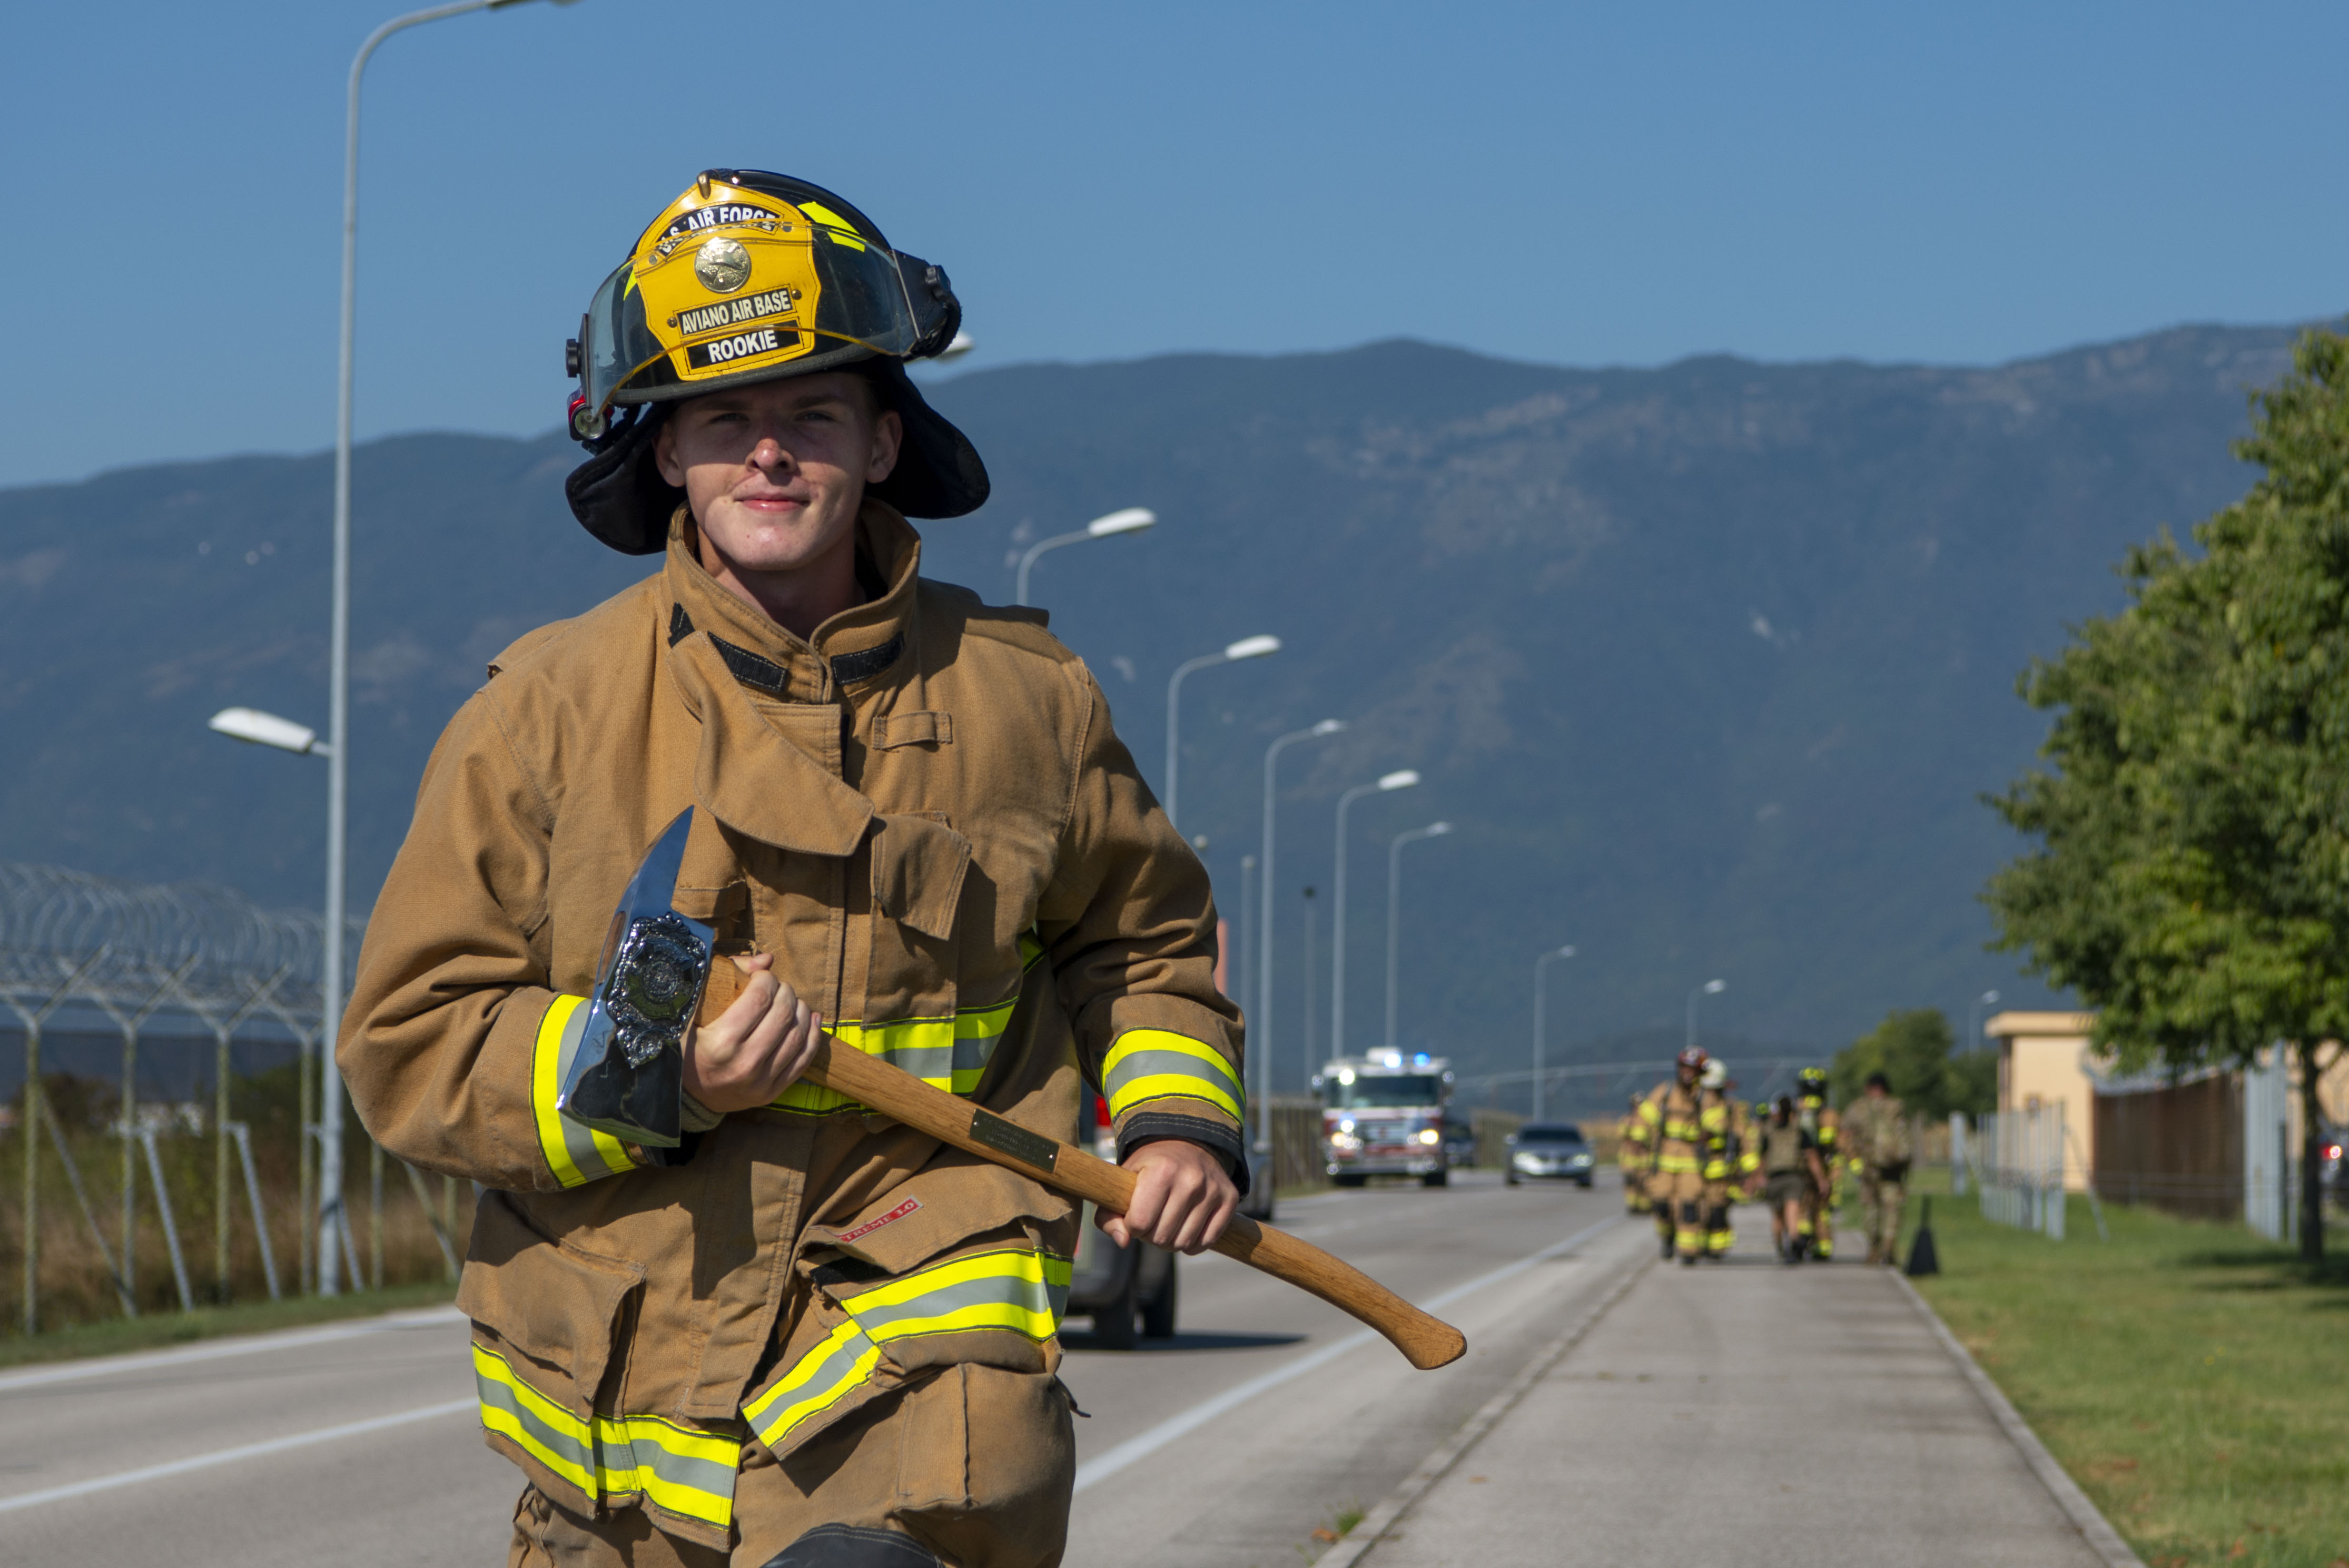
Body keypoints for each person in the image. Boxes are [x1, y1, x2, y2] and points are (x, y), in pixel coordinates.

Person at [339, 171, 1246, 1568]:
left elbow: (1140, 947)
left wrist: (1180, 1126)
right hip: (618, 1444)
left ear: (883, 444)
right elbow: (408, 1042)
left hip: (917, 1419)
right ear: (666, 459)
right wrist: (660, 1076)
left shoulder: (1030, 706)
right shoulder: (547, 713)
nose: (769, 455)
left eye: (812, 413)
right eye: (724, 420)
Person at [1633, 1048, 1711, 1265]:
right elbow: (1645, 1115)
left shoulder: (1705, 1097)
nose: (1688, 1073)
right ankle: (1668, 1236)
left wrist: (1711, 1133)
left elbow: (1716, 1121)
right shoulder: (1665, 1092)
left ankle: (1688, 1251)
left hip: (1692, 1162)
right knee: (1660, 1205)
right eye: (1684, 1068)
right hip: (1664, 1160)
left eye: (1692, 1069)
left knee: (1689, 1207)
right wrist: (1639, 1138)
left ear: (1699, 1073)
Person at [1842, 1071, 1914, 1265]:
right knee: (1892, 1210)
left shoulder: (1857, 1108)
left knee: (1871, 1209)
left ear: (1868, 1088)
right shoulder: (1897, 1106)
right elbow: (1904, 1136)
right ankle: (1889, 1249)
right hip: (1893, 1167)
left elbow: (1845, 1137)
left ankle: (1874, 1250)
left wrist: (1853, 1161)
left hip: (1867, 1167)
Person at [1753, 1096, 1828, 1263]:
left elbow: (1763, 1158)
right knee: (1792, 1210)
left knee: (1778, 1217)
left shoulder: (1768, 1131)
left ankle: (1783, 1248)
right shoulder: (1799, 1131)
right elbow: (1812, 1157)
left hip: (1775, 1179)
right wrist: (1821, 1180)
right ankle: (1794, 1240)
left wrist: (1757, 1178)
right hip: (1794, 1177)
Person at [1695, 1060, 1752, 1260]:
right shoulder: (1694, 1105)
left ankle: (1716, 1248)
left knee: (1718, 1209)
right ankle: (1700, 1245)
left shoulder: (1731, 1107)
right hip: (1695, 1166)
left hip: (1721, 1168)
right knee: (1698, 1210)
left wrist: (1745, 1168)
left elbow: (1743, 1136)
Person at [1794, 1066, 1841, 1260]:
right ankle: (1823, 1248)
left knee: (1803, 1205)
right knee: (1823, 1210)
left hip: (1803, 1167)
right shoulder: (1830, 1114)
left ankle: (1803, 1239)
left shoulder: (1798, 1112)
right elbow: (1837, 1144)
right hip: (1825, 1167)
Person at [1616, 1091, 1652, 1216]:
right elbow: (1621, 1134)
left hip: (1645, 1159)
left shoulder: (1649, 1121)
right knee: (1631, 1183)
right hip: (1629, 1159)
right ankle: (1633, 1205)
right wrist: (1628, 1128)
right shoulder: (1627, 1120)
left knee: (1644, 1184)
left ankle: (1645, 1206)